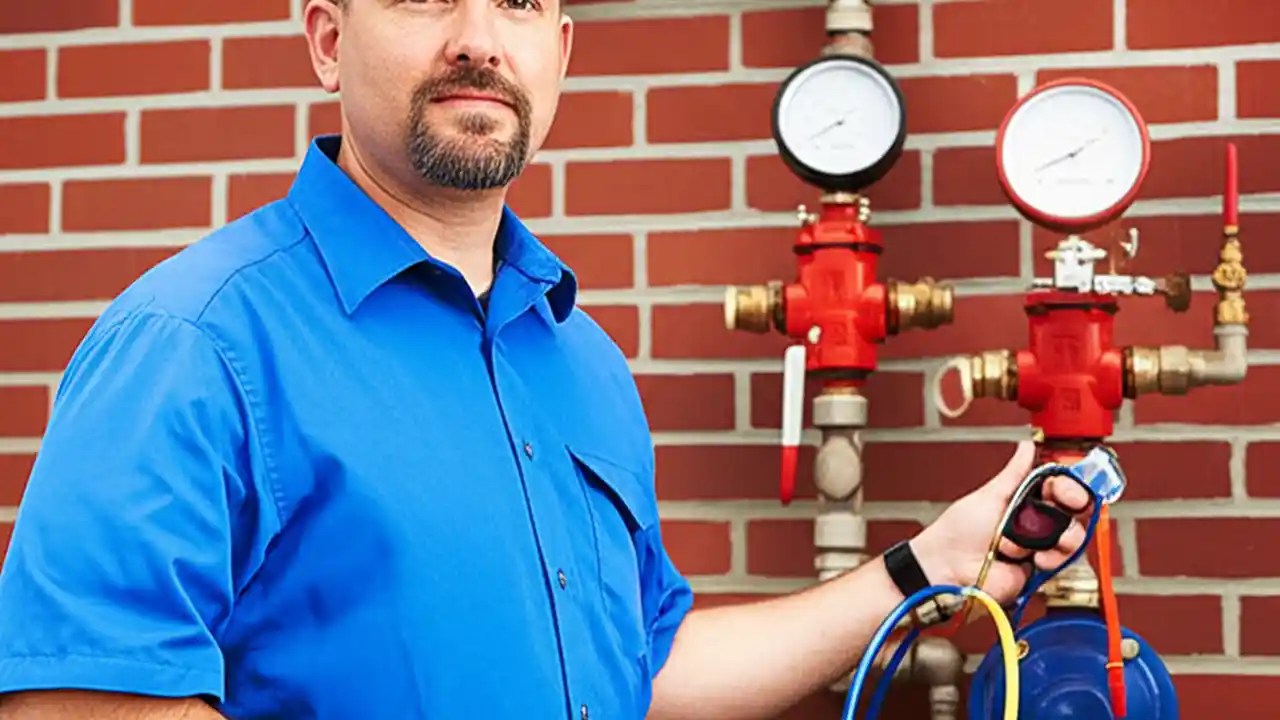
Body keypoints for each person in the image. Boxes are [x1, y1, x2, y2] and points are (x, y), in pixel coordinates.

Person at [0, 1, 1092, 718]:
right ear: (328, 40)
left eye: (519, 1)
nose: (478, 36)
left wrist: (926, 568)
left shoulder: (579, 362)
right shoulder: (193, 344)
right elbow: (85, 702)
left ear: (559, 53)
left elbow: (645, 670)